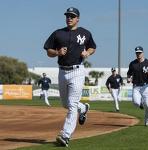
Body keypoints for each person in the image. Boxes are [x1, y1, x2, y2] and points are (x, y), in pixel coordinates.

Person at [43, 7, 96, 147]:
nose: (69, 18)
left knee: (72, 105)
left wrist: (88, 53)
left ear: (78, 18)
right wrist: (57, 52)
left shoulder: (85, 33)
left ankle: (65, 135)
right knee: (65, 104)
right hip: (62, 71)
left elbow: (92, 47)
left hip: (77, 71)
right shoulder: (58, 33)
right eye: (67, 15)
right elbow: (48, 51)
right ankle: (83, 108)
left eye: (72, 16)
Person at [127, 46, 148, 126]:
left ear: (143, 53)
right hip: (136, 86)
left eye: (140, 52)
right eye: (137, 53)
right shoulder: (132, 64)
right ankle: (141, 103)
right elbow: (129, 73)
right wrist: (129, 78)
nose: (138, 54)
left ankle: (147, 121)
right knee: (136, 103)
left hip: (146, 86)